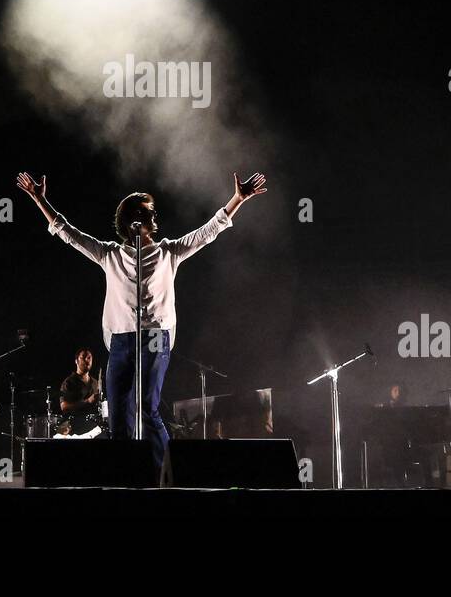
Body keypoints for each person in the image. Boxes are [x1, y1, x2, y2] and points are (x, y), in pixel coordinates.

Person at [16, 170, 266, 471]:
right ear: (133, 219)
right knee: (119, 416)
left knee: (147, 408)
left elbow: (208, 232)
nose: (154, 216)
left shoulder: (168, 252)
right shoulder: (110, 254)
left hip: (155, 336)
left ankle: (163, 476)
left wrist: (237, 199)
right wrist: (40, 199)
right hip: (121, 339)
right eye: (148, 212)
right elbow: (69, 233)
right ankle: (126, 477)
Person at [59, 348, 104, 436]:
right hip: (75, 428)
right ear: (76, 361)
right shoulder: (69, 382)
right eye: (83, 357)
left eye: (89, 357)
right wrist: (87, 401)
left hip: (93, 428)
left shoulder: (95, 382)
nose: (87, 360)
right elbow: (64, 407)